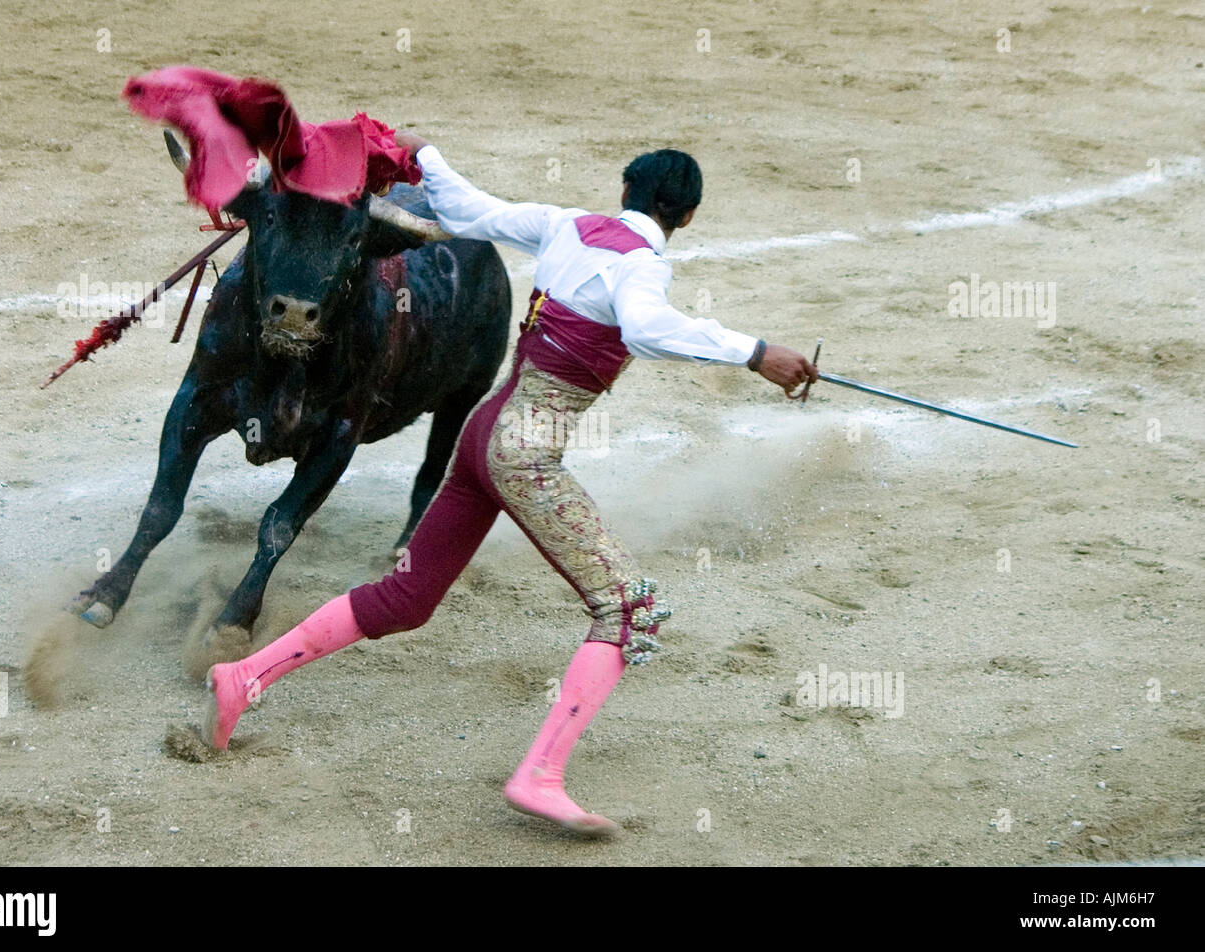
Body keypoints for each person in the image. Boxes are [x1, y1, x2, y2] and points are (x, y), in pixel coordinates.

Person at [201, 132, 818, 836]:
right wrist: (756, 353)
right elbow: (645, 328)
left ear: (625, 192)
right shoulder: (643, 267)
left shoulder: (564, 225)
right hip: (522, 457)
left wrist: (423, 153)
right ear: (689, 217)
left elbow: (466, 208)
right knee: (627, 610)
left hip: (481, 438)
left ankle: (243, 678)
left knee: (405, 598)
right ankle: (540, 775)